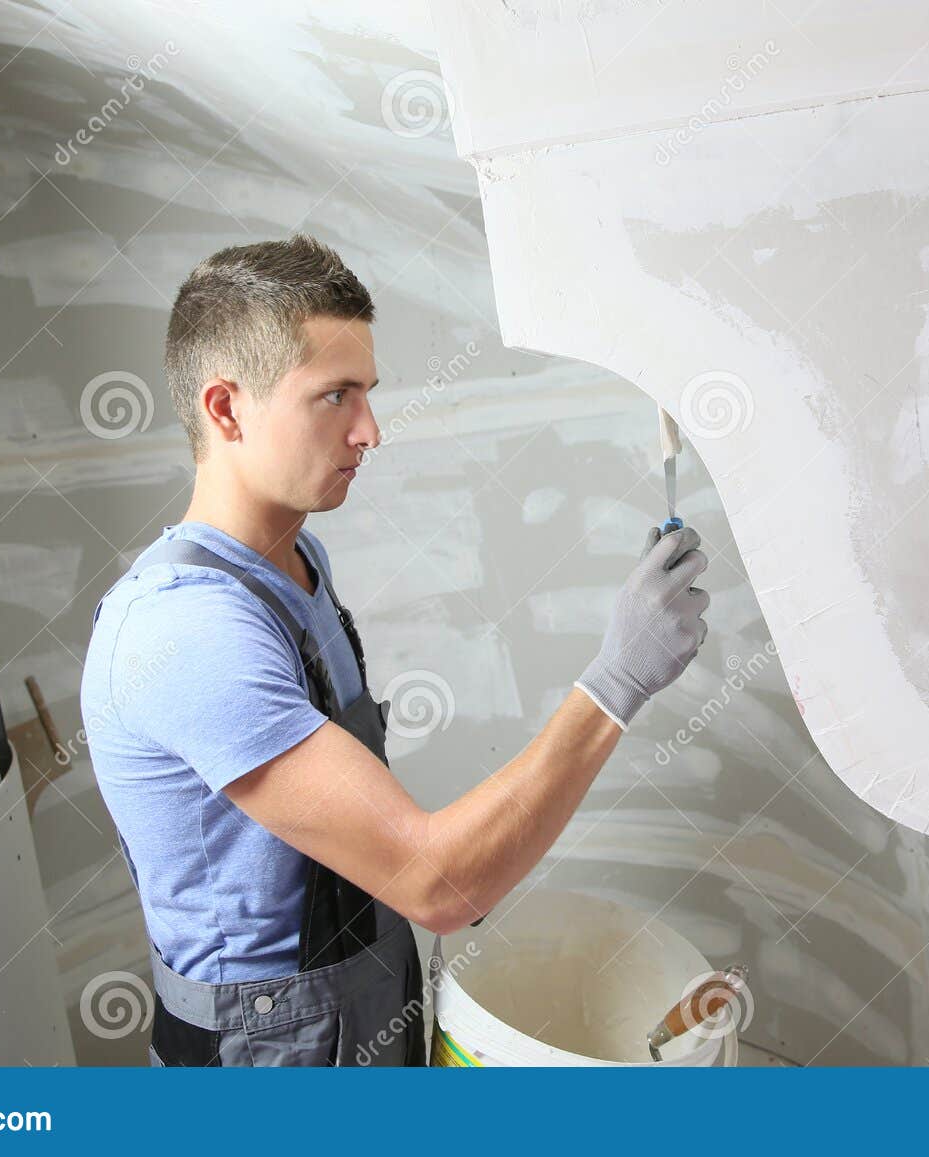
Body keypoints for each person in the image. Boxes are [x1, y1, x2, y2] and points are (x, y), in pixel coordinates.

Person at [80, 234, 709, 1066]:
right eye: (335, 396)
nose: (370, 431)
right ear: (226, 409)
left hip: (363, 1015)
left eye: (367, 393)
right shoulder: (186, 631)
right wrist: (617, 680)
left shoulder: (297, 565)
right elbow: (436, 883)